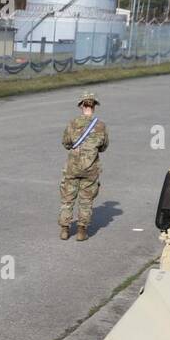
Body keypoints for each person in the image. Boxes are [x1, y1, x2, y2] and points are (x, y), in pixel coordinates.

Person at [59, 92, 110, 241]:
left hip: (72, 168)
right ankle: (81, 231)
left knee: (67, 199)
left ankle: (64, 230)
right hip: (91, 169)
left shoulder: (73, 123)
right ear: (94, 106)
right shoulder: (100, 126)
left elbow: (66, 143)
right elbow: (104, 146)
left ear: (81, 105)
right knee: (86, 200)